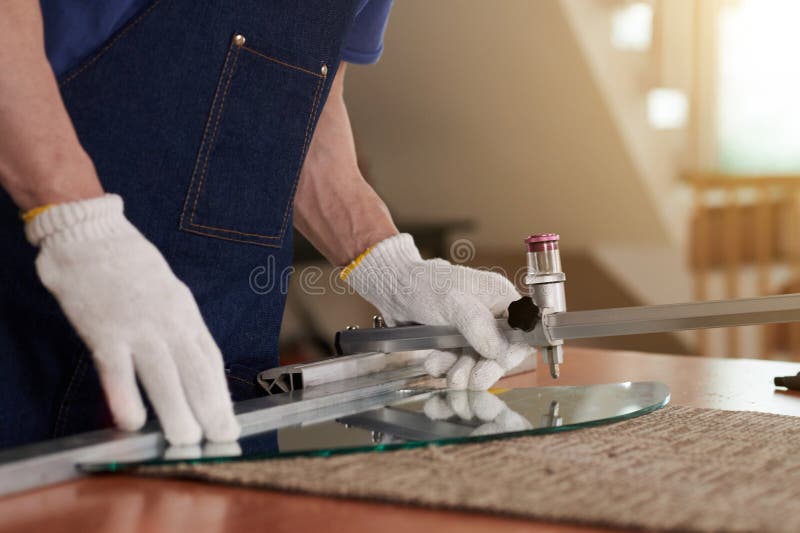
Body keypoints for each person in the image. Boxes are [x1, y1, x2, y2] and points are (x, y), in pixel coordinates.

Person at [0, 0, 535, 449]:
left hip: (226, 355)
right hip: (25, 320)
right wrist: (78, 226)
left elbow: (305, 116)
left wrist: (394, 267)